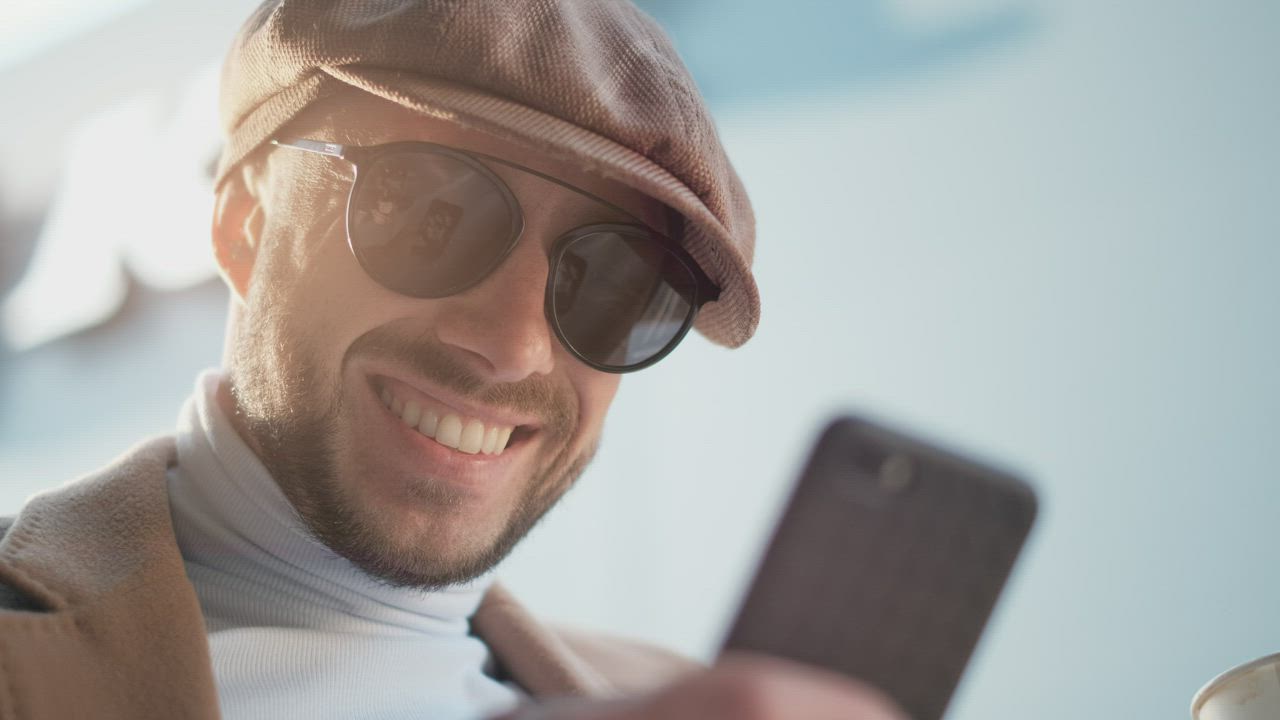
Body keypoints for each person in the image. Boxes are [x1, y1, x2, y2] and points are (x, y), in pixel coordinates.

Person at [0, 2, 906, 719]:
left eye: (619, 285)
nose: (513, 348)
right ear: (246, 225)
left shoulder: (662, 692)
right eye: (431, 215)